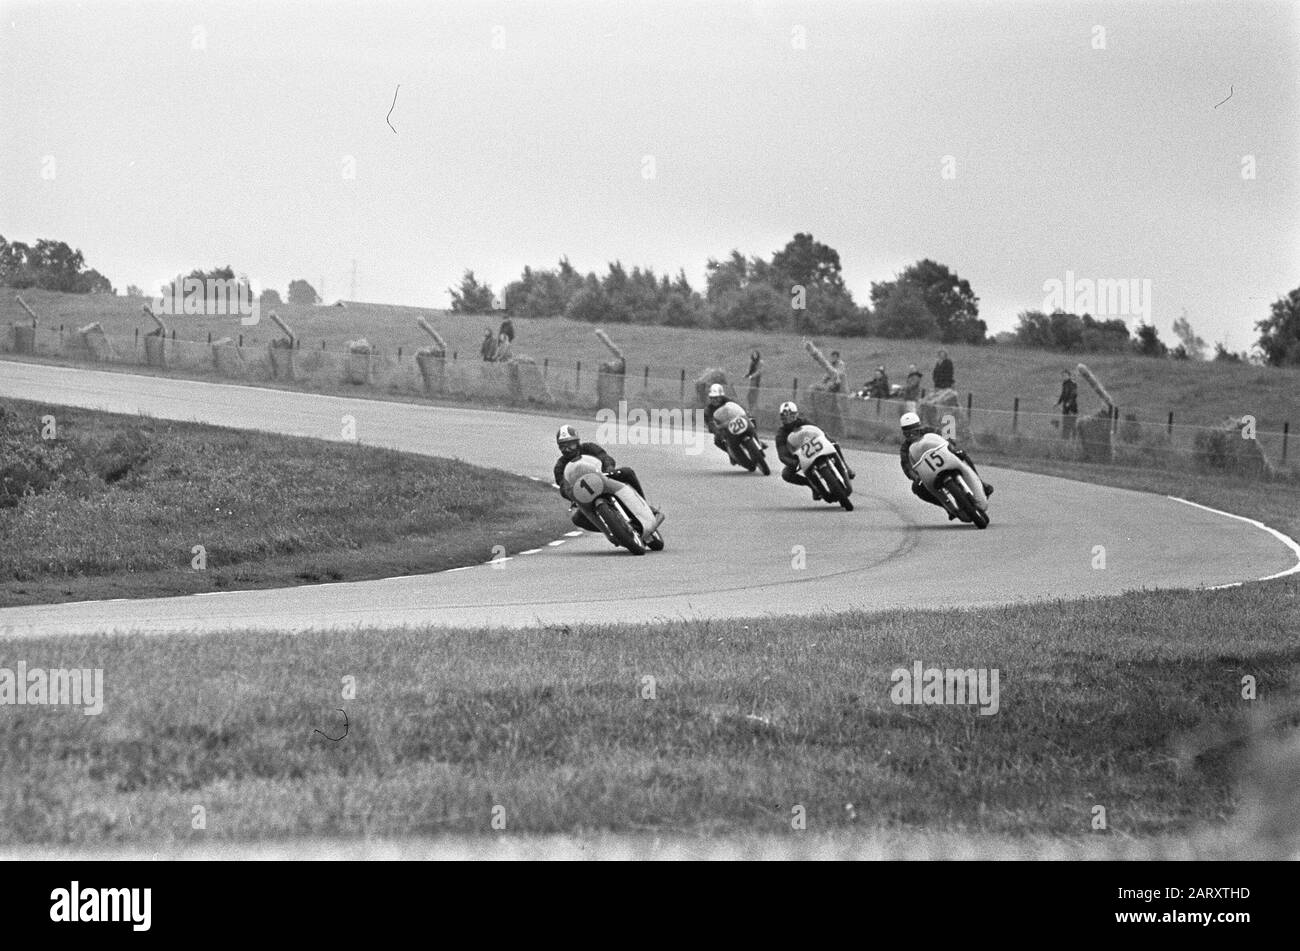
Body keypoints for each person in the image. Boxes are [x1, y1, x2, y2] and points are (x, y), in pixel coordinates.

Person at [553, 425, 663, 535]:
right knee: (577, 519)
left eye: (570, 445)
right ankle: (613, 530)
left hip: (604, 479)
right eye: (563, 447)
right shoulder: (560, 466)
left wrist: (609, 469)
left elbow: (605, 457)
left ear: (577, 443)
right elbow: (563, 487)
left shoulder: (589, 448)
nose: (567, 450)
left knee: (627, 472)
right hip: (584, 495)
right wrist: (571, 494)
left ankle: (645, 507)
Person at [898, 412, 992, 518]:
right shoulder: (905, 449)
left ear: (919, 428)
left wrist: (953, 448)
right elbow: (907, 467)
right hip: (929, 474)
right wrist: (916, 477)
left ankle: (981, 483)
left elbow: (947, 440)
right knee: (917, 487)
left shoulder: (931, 432)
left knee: (961, 454)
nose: (911, 436)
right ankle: (946, 506)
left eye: (914, 432)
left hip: (946, 460)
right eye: (907, 434)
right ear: (904, 434)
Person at [775, 400, 854, 500]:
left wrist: (827, 439)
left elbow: (819, 431)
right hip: (800, 457)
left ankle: (846, 467)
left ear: (796, 414)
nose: (788, 418)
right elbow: (782, 455)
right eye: (784, 415)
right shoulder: (781, 434)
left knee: (834, 443)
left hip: (817, 447)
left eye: (791, 414)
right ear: (781, 417)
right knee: (786, 474)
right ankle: (812, 485)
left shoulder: (804, 422)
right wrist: (794, 463)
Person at [704, 382, 764, 463]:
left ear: (721, 396)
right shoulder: (708, 410)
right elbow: (710, 424)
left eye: (716, 397)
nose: (714, 400)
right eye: (712, 398)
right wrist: (716, 430)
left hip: (736, 422)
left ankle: (757, 442)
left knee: (751, 421)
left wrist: (747, 415)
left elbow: (739, 408)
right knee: (718, 441)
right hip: (723, 428)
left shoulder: (729, 401)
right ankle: (731, 454)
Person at [1054, 369, 1079, 439]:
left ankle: (1074, 439)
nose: (1063, 377)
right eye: (1062, 376)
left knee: (1073, 424)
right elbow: (1063, 394)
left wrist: (1069, 403)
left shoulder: (1073, 383)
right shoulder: (1064, 384)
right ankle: (1065, 439)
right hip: (1065, 407)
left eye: (1065, 375)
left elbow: (1074, 395)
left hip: (1072, 407)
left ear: (1069, 375)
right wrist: (1058, 403)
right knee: (1065, 423)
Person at [744, 350, 763, 414]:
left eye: (756, 354)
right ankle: (750, 409)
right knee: (749, 396)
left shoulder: (760, 362)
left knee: (754, 396)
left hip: (756, 381)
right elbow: (750, 371)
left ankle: (754, 410)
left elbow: (759, 371)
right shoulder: (752, 362)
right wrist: (746, 375)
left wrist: (752, 376)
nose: (755, 356)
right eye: (754, 354)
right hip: (752, 381)